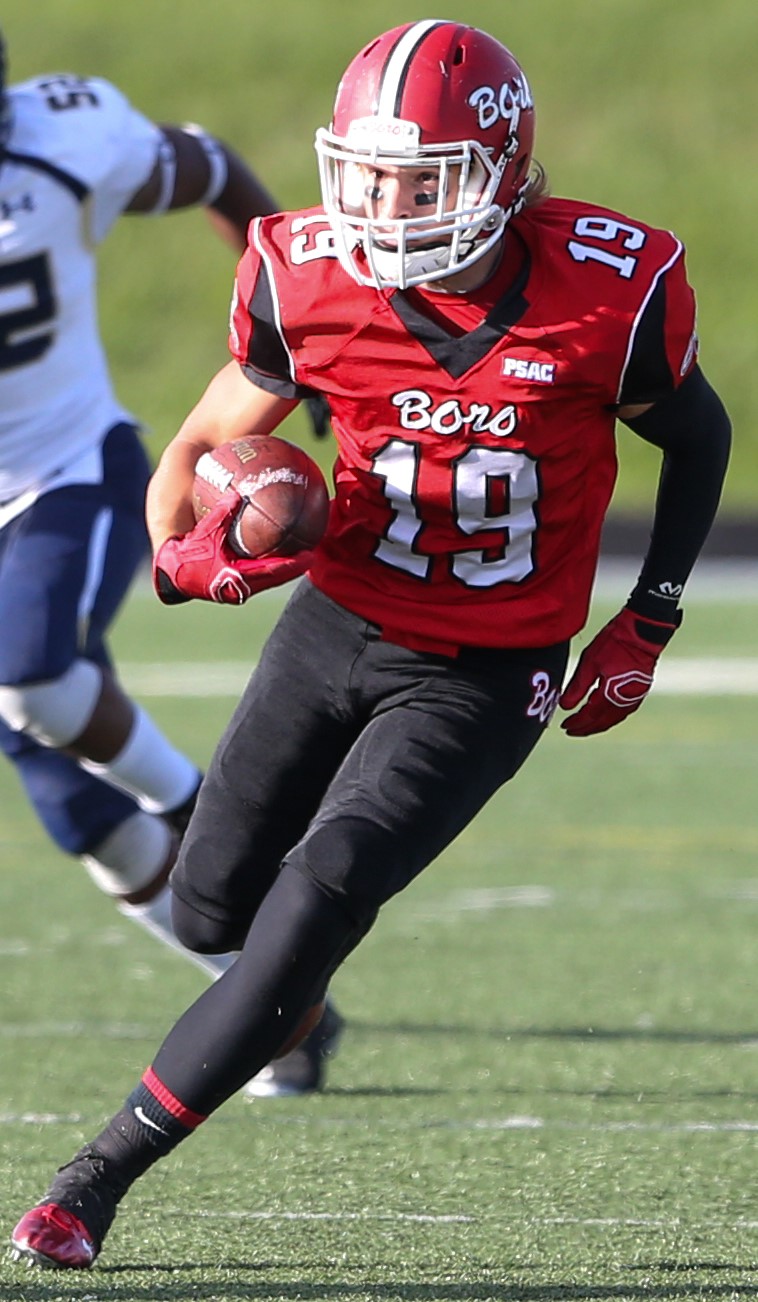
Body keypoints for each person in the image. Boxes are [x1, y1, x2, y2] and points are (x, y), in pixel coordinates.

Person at [10, 18, 730, 1271]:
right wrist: (191, 557)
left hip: (486, 667)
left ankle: (89, 1184)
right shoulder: (302, 272)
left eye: (420, 178)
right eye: (365, 172)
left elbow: (698, 435)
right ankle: (283, 1015)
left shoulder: (610, 285)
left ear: (501, 171)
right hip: (334, 619)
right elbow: (190, 453)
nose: (383, 204)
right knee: (209, 903)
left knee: (320, 893)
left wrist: (649, 614)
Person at [0, 31, 340, 1099]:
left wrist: (302, 343)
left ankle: (192, 804)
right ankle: (279, 1016)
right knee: (77, 812)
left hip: (60, 471)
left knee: (34, 676)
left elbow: (213, 167)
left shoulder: (62, 138)